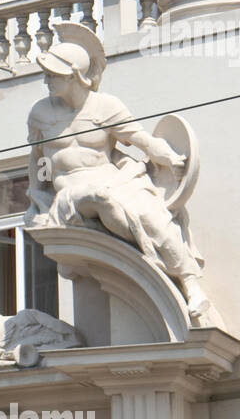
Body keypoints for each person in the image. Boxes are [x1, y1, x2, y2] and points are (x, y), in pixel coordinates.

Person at [24, 23, 212, 318]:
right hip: (72, 192)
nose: (46, 80)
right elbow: (39, 161)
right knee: (101, 197)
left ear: (75, 75)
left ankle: (190, 286)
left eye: (53, 74)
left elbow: (143, 141)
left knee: (152, 214)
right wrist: (39, 198)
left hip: (114, 178)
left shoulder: (105, 106)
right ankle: (149, 258)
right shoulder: (40, 113)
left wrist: (173, 159)